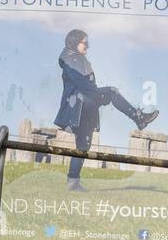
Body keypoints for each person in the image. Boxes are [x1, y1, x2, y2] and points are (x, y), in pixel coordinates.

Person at [53, 28, 159, 192]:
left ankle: (73, 183)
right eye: (84, 42)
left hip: (84, 106)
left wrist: (97, 96)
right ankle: (139, 118)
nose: (88, 46)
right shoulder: (70, 59)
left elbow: (87, 85)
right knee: (112, 92)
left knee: (83, 146)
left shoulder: (77, 58)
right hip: (78, 106)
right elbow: (83, 85)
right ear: (74, 42)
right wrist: (99, 96)